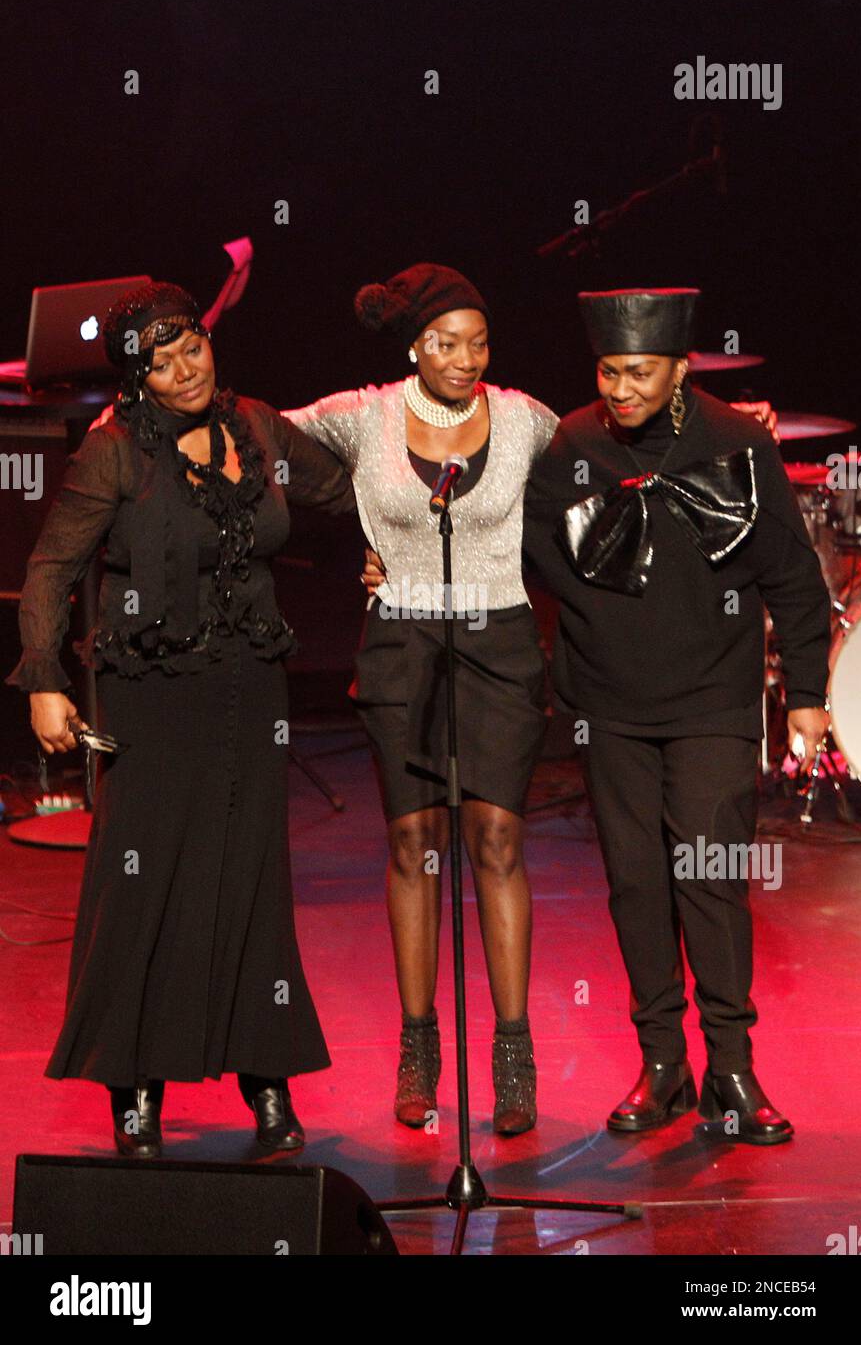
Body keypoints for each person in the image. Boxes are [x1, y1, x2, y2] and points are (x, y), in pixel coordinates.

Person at [5, 281, 357, 1157]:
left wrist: (394, 537)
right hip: (153, 692)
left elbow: (348, 488)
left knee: (249, 882)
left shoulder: (258, 428)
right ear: (138, 377)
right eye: (160, 363)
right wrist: (45, 679)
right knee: (144, 883)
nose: (185, 369)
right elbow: (51, 568)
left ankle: (267, 1083)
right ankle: (134, 1093)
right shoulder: (115, 452)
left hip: (249, 690)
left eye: (191, 346)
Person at [519, 287, 830, 1144]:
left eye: (638, 373)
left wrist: (808, 694)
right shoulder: (574, 443)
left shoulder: (736, 442)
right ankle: (663, 1064)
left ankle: (732, 1065)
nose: (620, 389)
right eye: (608, 372)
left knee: (711, 877)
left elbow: (794, 574)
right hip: (610, 707)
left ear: (681, 369)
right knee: (636, 883)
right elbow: (530, 547)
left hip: (713, 700)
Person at [282, 263, 562, 1134]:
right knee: (414, 843)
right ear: (413, 346)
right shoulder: (361, 415)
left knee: (497, 838)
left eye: (479, 343)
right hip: (402, 641)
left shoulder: (522, 418)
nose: (465, 359)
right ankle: (418, 1046)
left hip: (499, 641)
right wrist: (134, 415)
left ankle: (512, 1055)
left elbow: (606, 444)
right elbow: (257, 435)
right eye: (446, 343)